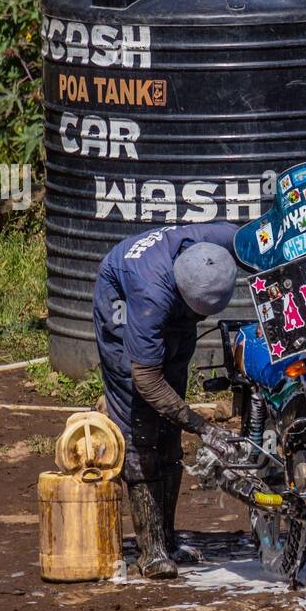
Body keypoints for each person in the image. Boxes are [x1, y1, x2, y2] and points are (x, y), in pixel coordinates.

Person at [92, 222, 242, 579]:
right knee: (140, 422)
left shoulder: (216, 242)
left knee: (168, 423)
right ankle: (152, 551)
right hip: (122, 296)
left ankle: (170, 540)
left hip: (168, 298)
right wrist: (202, 427)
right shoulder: (149, 297)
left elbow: (262, 240)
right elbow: (146, 380)